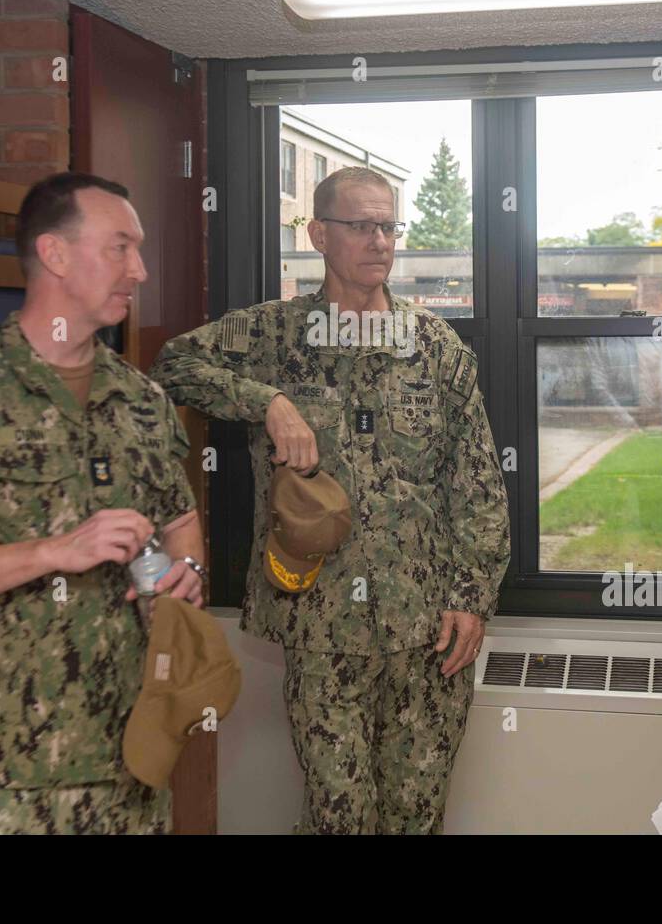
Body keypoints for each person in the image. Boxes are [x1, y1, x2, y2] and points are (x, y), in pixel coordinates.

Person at [152, 166, 510, 834]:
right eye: (361, 225)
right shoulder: (271, 337)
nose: (380, 241)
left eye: (389, 226)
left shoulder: (435, 349)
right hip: (322, 631)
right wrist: (270, 402)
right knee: (339, 818)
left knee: (415, 817)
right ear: (318, 234)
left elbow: (478, 484)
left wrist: (473, 597)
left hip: (426, 631)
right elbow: (173, 364)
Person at [0, 172, 205, 834]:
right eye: (119, 247)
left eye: (138, 250)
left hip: (135, 763)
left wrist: (184, 576)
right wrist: (55, 551)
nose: (138, 269)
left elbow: (183, 525)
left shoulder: (144, 401)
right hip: (9, 780)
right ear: (53, 254)